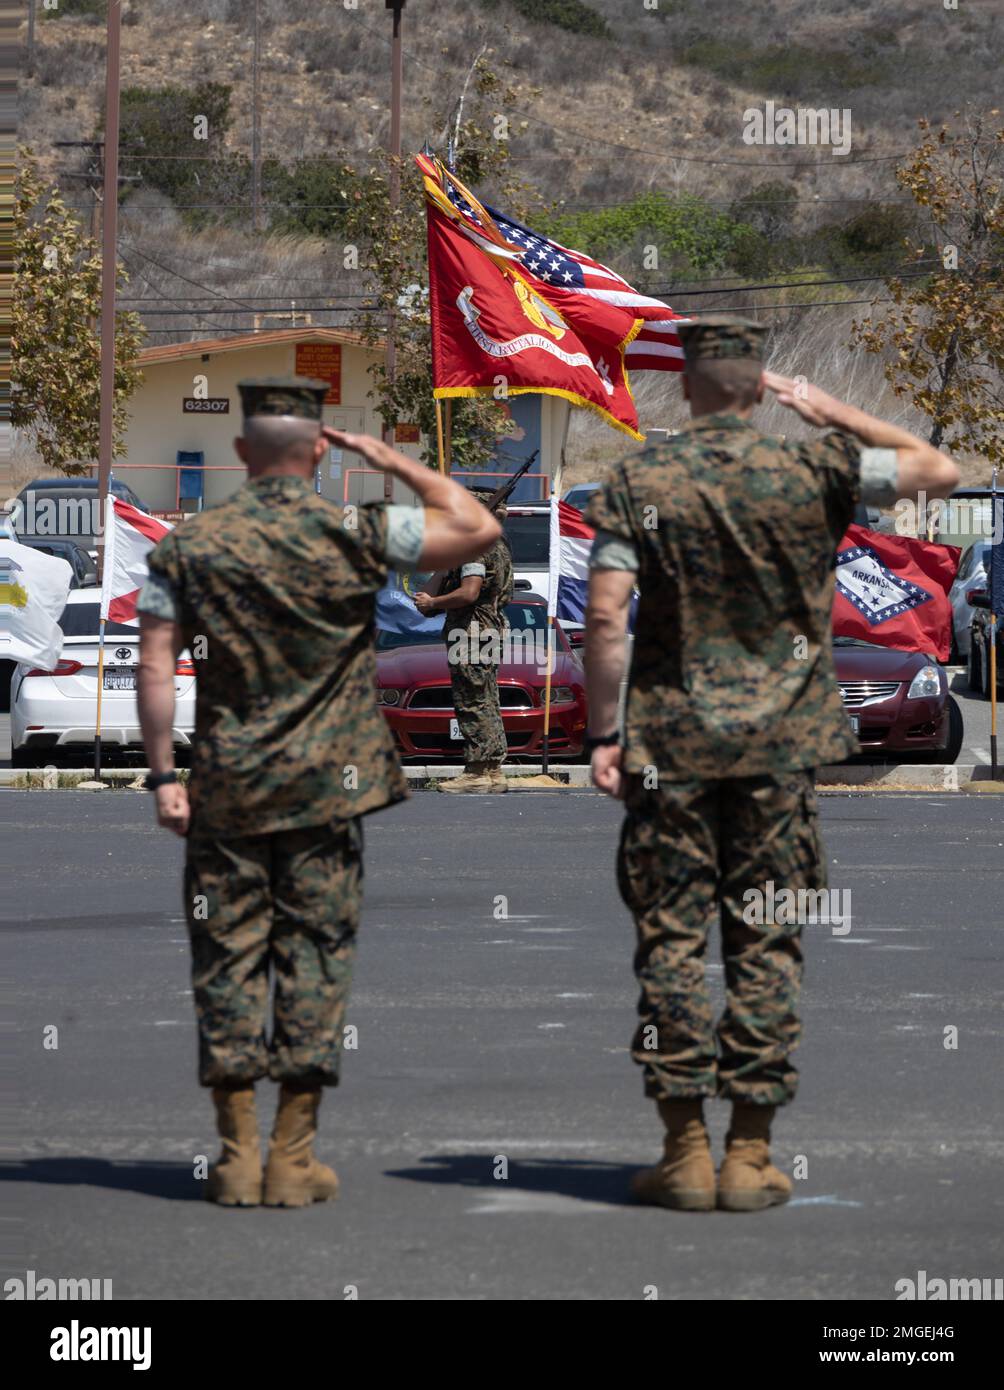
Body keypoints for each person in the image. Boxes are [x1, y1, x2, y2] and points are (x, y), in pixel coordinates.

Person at [583, 316, 959, 1212]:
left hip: (669, 749)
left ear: (687, 389)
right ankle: (748, 1156)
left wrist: (604, 737)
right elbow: (935, 468)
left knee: (670, 943)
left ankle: (682, 1153)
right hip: (781, 753)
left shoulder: (638, 479)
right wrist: (827, 410)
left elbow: (603, 621)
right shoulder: (812, 469)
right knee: (766, 940)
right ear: (758, 391)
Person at [136, 378, 499, 1208]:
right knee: (314, 956)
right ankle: (293, 1159)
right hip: (329, 789)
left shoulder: (190, 546)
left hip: (226, 785)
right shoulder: (356, 531)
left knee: (226, 959)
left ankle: (235, 1157)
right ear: (318, 452)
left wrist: (163, 775)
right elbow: (476, 526)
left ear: (240, 455)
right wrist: (388, 457)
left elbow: (156, 664)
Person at [413, 486, 514, 793]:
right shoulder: (496, 544)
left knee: (472, 701)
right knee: (486, 699)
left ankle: (477, 772)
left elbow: (469, 592)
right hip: (486, 629)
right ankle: (492, 769)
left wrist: (433, 603)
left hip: (471, 631)